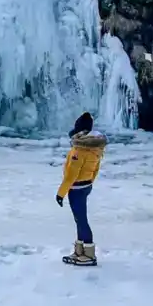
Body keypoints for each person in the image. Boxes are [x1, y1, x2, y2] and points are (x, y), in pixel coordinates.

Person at [55, 112, 108, 266]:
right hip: (86, 186)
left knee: (82, 220)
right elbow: (96, 169)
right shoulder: (96, 148)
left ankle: (89, 254)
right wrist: (90, 181)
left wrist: (61, 193)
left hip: (77, 188)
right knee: (79, 219)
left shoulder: (79, 150)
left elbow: (71, 175)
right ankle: (79, 252)